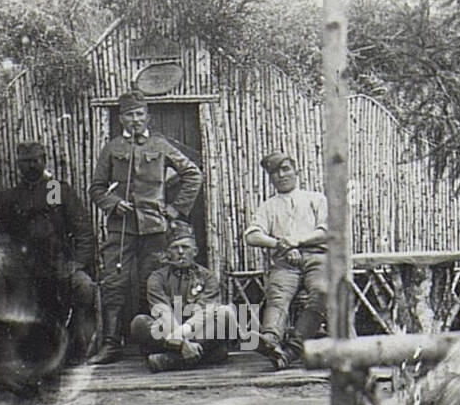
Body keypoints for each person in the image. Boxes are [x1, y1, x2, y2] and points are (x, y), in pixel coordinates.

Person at [89, 90, 202, 364]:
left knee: (151, 283)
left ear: (147, 117)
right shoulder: (112, 148)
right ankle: (111, 344)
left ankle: (150, 341)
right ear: (121, 119)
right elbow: (96, 188)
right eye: (129, 115)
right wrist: (113, 203)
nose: (135, 119)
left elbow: (193, 174)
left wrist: (175, 209)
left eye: (140, 114)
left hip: (154, 228)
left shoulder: (160, 146)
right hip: (121, 227)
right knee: (114, 284)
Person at [0, 141, 97, 363]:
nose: (31, 166)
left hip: (60, 261)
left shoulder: (56, 190)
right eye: (25, 162)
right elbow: (4, 238)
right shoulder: (10, 198)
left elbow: (83, 230)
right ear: (18, 165)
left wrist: (77, 263)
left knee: (84, 288)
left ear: (44, 161)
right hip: (27, 266)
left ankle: (77, 348)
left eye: (35, 161)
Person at [243, 151, 329, 369]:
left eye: (285, 169)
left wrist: (296, 241)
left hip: (317, 257)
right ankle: (270, 340)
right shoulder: (268, 206)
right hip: (285, 260)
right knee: (278, 294)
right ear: (270, 177)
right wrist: (280, 244)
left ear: (295, 171)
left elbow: (327, 231)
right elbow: (252, 235)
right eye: (275, 172)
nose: (281, 175)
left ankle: (293, 349)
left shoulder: (316, 199)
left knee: (322, 292)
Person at [129, 222, 240, 372]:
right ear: (168, 253)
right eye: (175, 248)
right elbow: (164, 314)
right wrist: (181, 343)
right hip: (168, 334)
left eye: (185, 247)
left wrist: (184, 337)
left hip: (198, 331)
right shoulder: (156, 278)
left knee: (226, 314)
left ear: (195, 251)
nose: (181, 252)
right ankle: (202, 354)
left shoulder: (208, 277)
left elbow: (204, 313)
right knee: (139, 323)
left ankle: (171, 360)